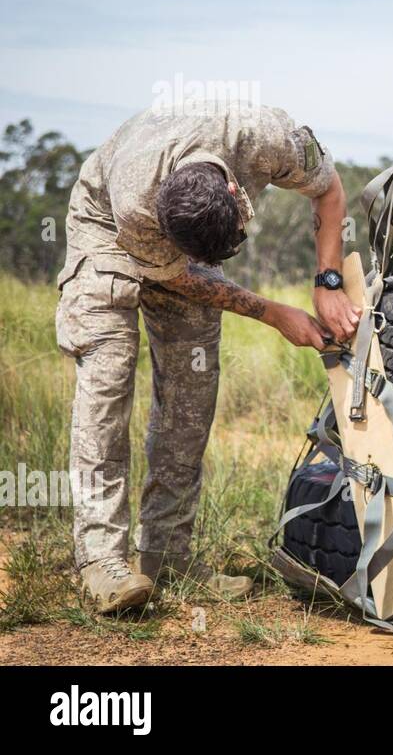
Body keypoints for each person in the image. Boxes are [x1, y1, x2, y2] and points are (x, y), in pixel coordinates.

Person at [55, 101, 359, 612]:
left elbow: (329, 192)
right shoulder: (137, 204)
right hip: (104, 231)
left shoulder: (266, 137)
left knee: (191, 391)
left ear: (236, 189)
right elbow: (174, 275)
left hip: (180, 233)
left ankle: (167, 556)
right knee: (108, 379)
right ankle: (100, 561)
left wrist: (327, 281)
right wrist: (270, 312)